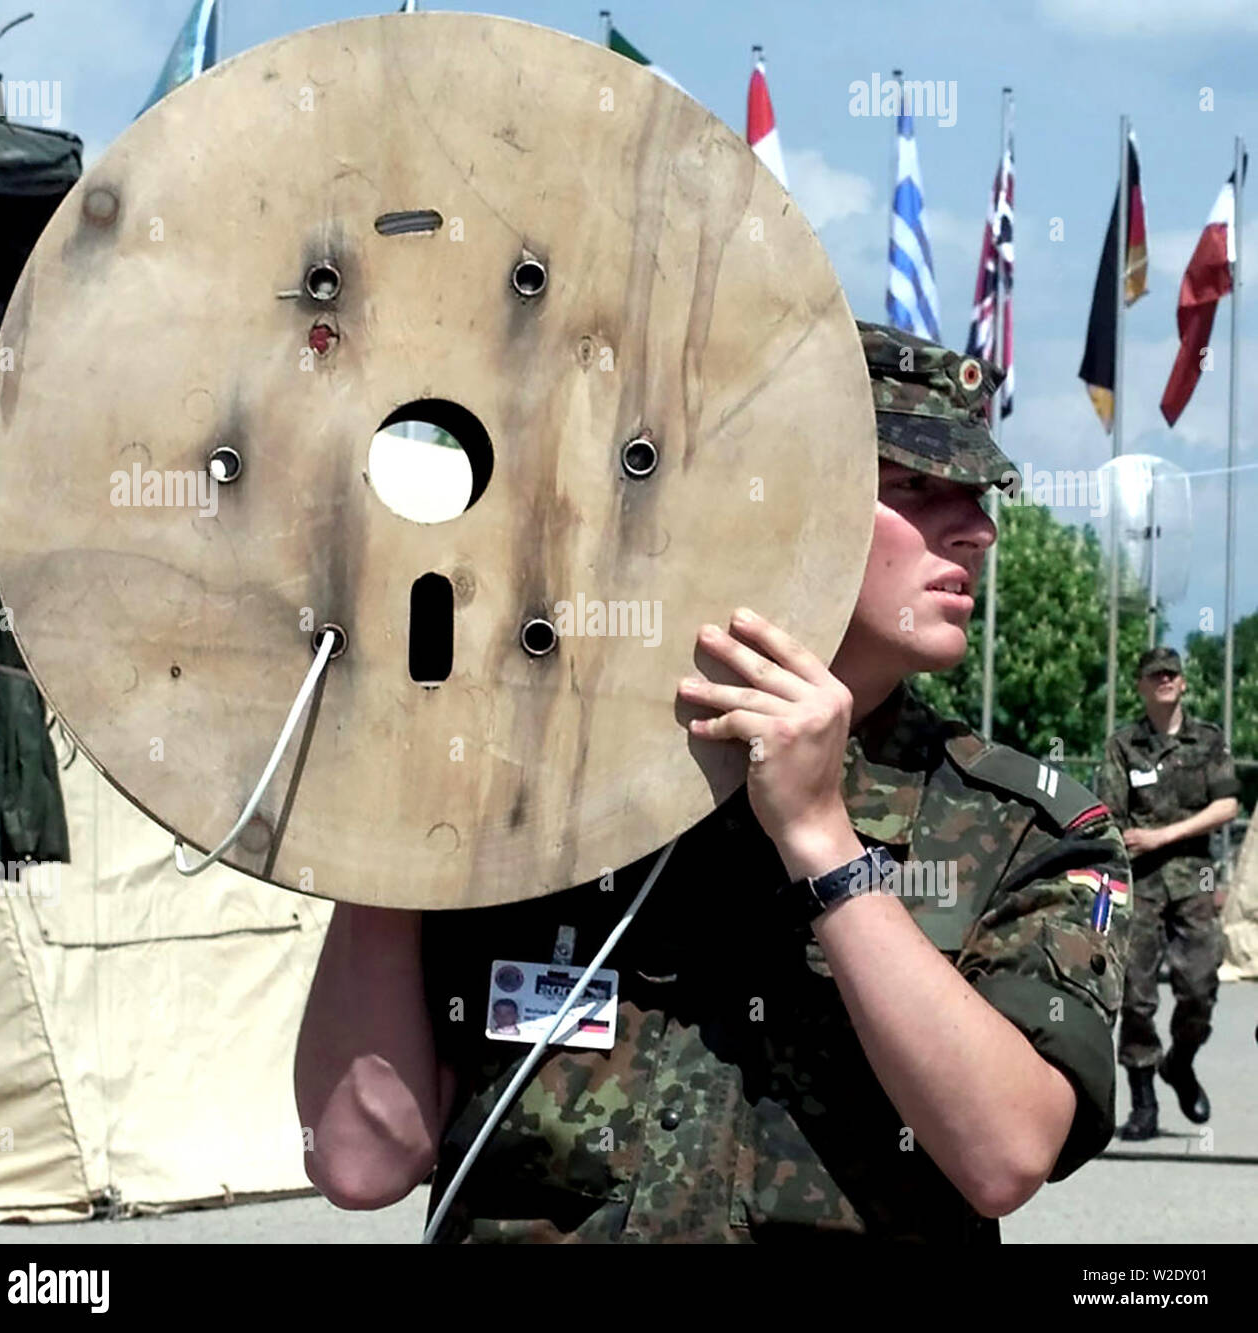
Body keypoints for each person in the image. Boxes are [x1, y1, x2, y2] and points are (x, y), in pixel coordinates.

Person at [293, 322, 1132, 1243]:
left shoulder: (1022, 824)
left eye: (977, 496)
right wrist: (386, 809)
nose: (977, 529)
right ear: (777, 494)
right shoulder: (537, 779)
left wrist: (822, 840)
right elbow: (360, 1160)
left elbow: (1005, 1154)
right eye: (919, 488)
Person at [1101, 647, 1239, 1140]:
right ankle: (1143, 1103)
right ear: (1140, 686)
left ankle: (1180, 1063)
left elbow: (1226, 805)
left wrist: (1162, 835)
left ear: (1182, 685)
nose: (1163, 681)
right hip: (1140, 884)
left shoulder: (1208, 741)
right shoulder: (1123, 745)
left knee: (1200, 986)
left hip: (1195, 878)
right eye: (1153, 675)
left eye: (1171, 675)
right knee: (1136, 996)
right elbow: (1110, 816)